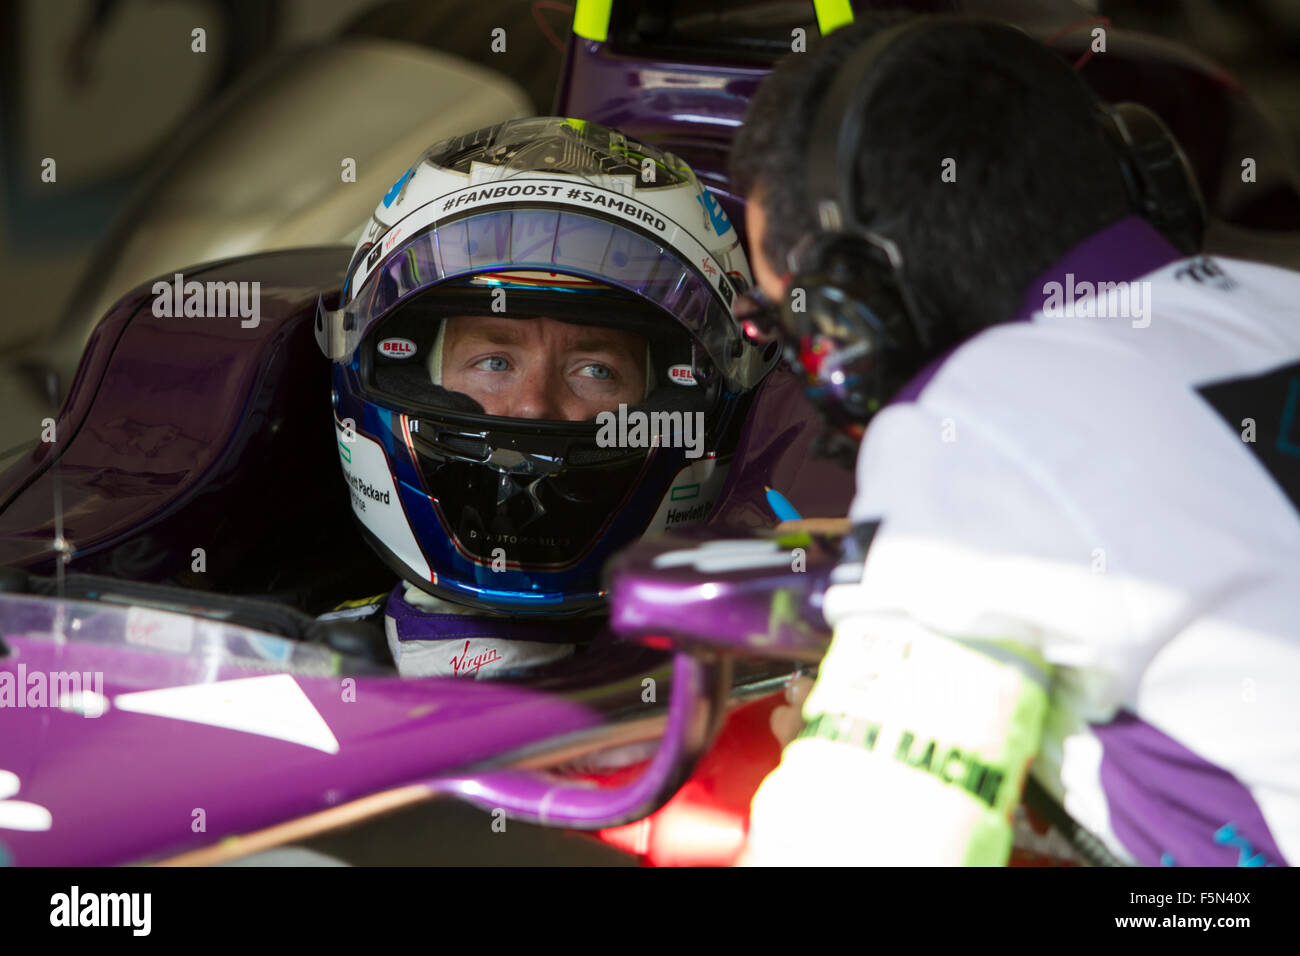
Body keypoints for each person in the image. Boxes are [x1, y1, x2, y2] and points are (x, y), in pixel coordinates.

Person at [730, 14, 1300, 865]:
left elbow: (862, 847)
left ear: (858, 314)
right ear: (1141, 181)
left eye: (790, 322)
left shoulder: (976, 419)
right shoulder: (1279, 298)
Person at [314, 117, 790, 679]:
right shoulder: (284, 672)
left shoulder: (753, 687)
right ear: (399, 367)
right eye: (495, 362)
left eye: (594, 370)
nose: (533, 406)